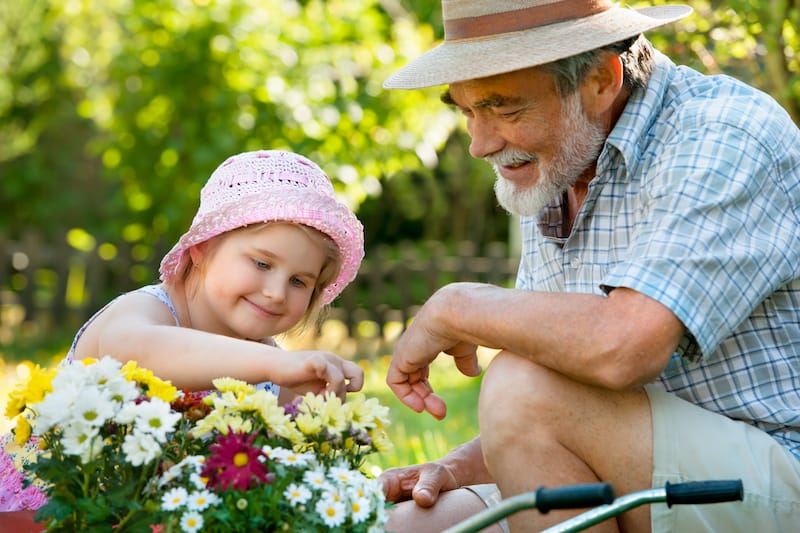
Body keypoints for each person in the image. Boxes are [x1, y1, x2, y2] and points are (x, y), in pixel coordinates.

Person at [378, 1, 800, 532]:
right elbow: (565, 412)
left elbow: (625, 349)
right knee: (407, 527)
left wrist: (456, 306)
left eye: (505, 111)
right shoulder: (557, 163)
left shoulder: (724, 134)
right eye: (466, 111)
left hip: (776, 479)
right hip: (655, 474)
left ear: (601, 79)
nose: (480, 144)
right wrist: (455, 467)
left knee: (518, 384)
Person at [0, 148, 366, 513]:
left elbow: (287, 473)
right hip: (36, 512)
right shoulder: (149, 310)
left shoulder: (273, 373)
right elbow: (133, 349)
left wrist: (319, 420)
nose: (276, 292)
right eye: (261, 262)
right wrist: (274, 364)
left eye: (300, 282)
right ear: (203, 249)